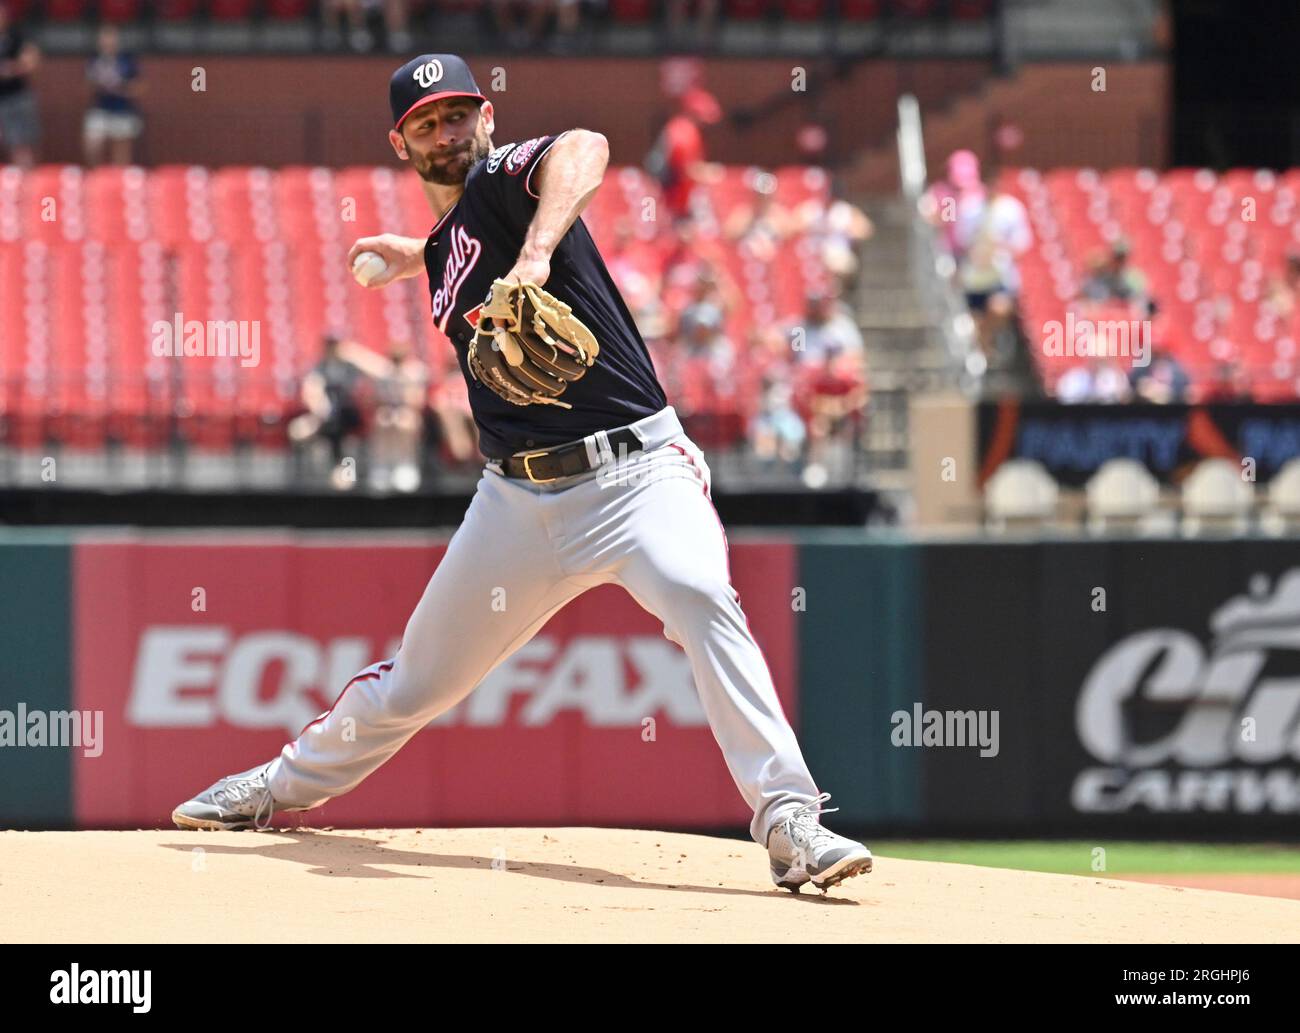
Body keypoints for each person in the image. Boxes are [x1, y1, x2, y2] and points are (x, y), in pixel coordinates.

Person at [171, 53, 872, 895]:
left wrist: (539, 253)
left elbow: (585, 145)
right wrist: (418, 253)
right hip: (516, 500)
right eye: (426, 123)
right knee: (418, 680)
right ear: (402, 143)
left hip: (636, 475)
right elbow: (460, 243)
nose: (447, 132)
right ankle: (274, 788)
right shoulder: (453, 240)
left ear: (489, 118)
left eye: (459, 113)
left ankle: (791, 819)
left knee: (698, 597)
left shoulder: (509, 178)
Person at [288, 334, 366, 490]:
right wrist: (320, 409)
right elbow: (311, 389)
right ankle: (302, 478)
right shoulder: (319, 368)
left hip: (346, 420)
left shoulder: (350, 368)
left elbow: (382, 372)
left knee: (344, 468)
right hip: (324, 420)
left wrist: (356, 354)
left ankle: (345, 479)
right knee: (298, 431)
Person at [646, 86, 723, 223]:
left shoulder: (680, 128)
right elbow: (687, 170)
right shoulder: (684, 131)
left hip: (675, 201)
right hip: (671, 201)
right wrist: (712, 173)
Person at [83, 26, 143, 168]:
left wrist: (121, 88)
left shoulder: (127, 60)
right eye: (104, 38)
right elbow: (86, 85)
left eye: (111, 38)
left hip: (122, 109)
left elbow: (140, 86)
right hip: (100, 107)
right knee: (92, 144)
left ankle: (118, 182)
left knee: (121, 152)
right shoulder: (94, 60)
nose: (107, 42)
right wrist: (98, 84)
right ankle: (97, 175)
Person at [0, 2, 40, 170]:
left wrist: (12, 68)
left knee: (23, 144)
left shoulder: (17, 35)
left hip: (18, 97)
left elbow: (32, 61)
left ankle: (26, 183)